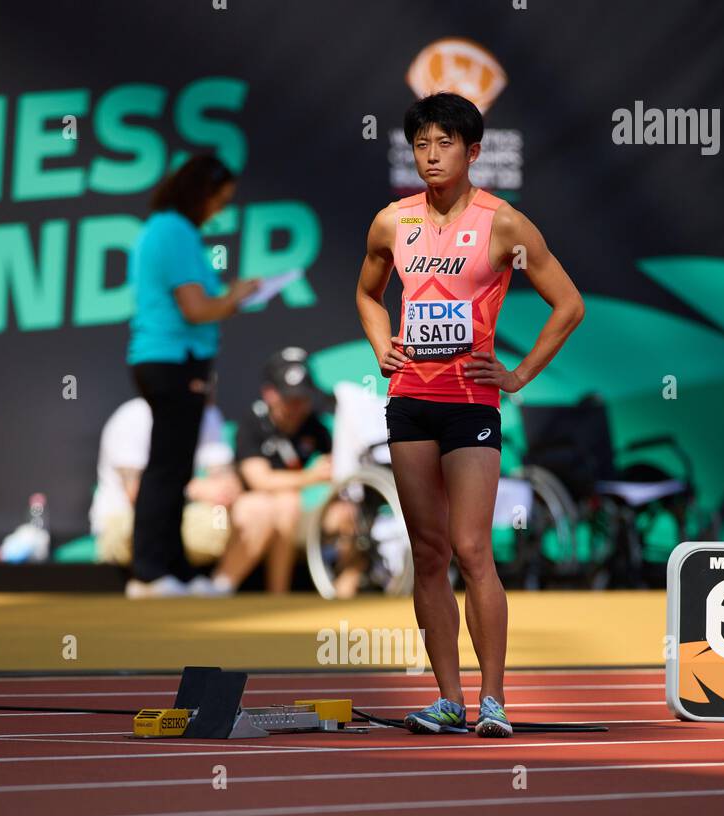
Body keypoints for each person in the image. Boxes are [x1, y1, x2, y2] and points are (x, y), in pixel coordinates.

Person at [356, 91, 585, 735]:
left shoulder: (503, 223)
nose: (431, 156)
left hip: (470, 404)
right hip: (410, 403)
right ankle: (448, 699)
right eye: (421, 144)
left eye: (444, 144)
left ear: (473, 151)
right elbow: (368, 291)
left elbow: (568, 305)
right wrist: (382, 346)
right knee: (428, 553)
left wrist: (516, 375)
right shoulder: (391, 222)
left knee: (471, 548)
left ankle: (493, 700)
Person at [125, 152, 260, 597]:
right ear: (200, 192)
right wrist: (236, 295)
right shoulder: (175, 230)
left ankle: (171, 568)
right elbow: (197, 308)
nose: (219, 208)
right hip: (172, 360)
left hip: (166, 359)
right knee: (167, 467)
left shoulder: (164, 229)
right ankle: (148, 572)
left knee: (175, 466)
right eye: (219, 198)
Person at [89, 392, 276, 594]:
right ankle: (149, 579)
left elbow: (226, 481)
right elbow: (136, 495)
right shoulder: (131, 417)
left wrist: (223, 492)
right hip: (125, 521)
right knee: (164, 520)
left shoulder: (207, 413)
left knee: (253, 510)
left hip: (191, 519)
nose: (204, 389)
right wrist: (197, 489)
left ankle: (218, 590)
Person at [235, 348, 361, 594]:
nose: (297, 407)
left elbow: (336, 474)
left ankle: (345, 597)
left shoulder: (315, 426)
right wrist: (310, 477)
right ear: (269, 394)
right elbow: (258, 480)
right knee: (286, 503)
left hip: (301, 515)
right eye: (289, 398)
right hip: (255, 515)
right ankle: (279, 597)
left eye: (303, 398)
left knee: (350, 514)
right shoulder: (252, 422)